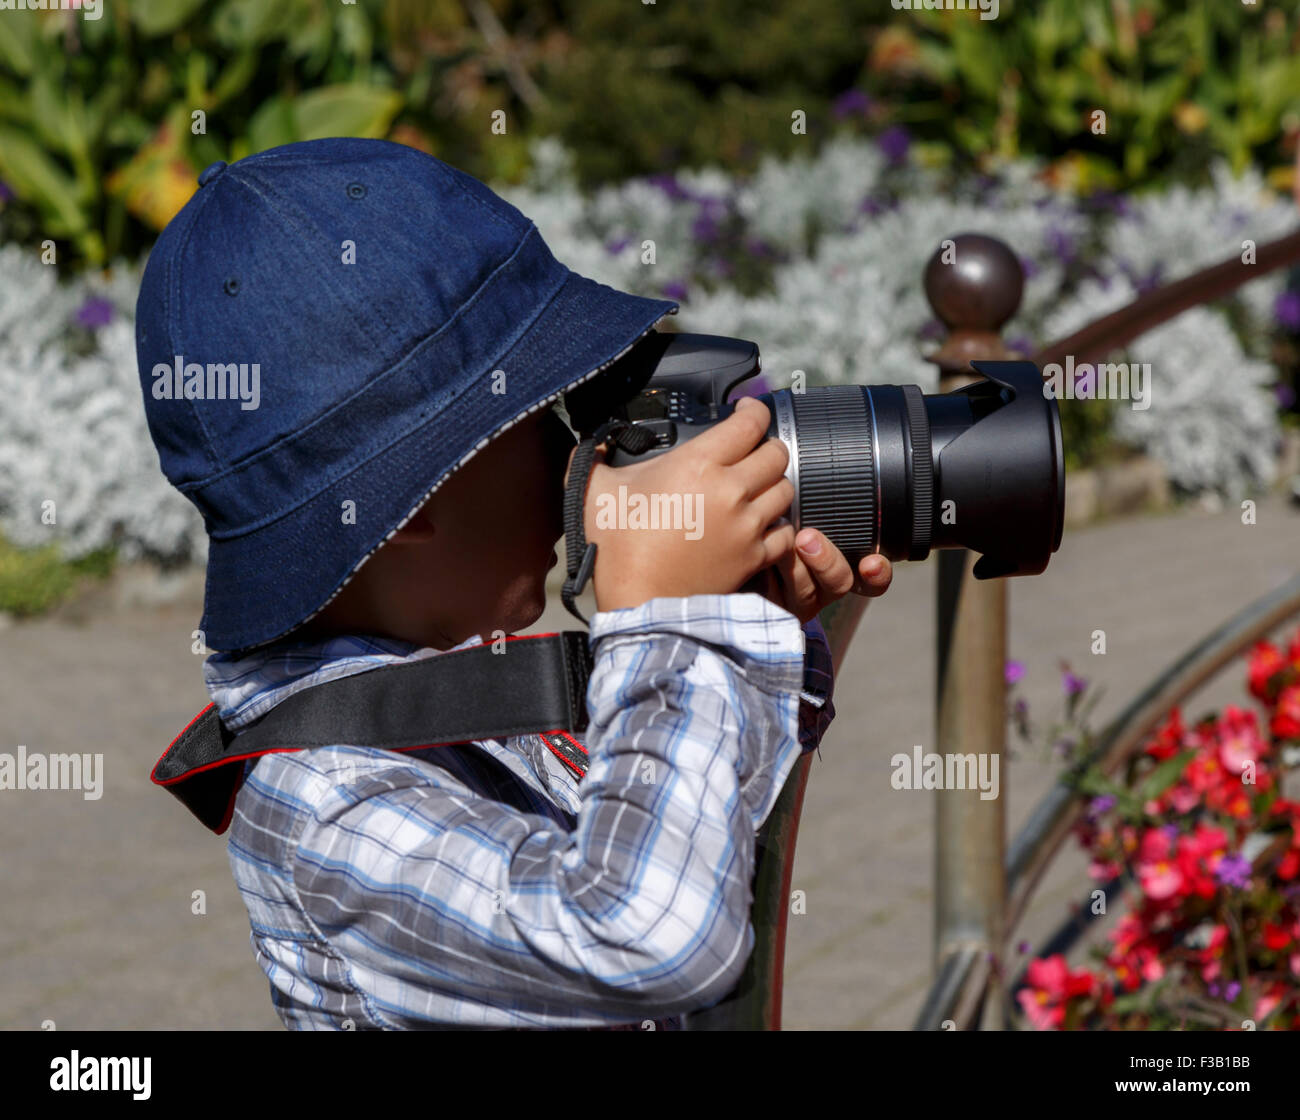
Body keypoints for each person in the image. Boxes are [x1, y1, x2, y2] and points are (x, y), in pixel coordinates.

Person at [135, 137, 892, 1029]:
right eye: (538, 413)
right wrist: (668, 623)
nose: (577, 451)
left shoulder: (445, 676)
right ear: (411, 499)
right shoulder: (327, 804)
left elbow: (673, 843)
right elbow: (647, 937)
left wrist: (732, 636)